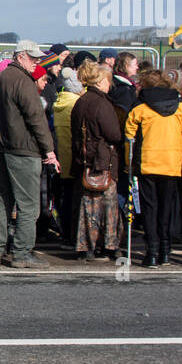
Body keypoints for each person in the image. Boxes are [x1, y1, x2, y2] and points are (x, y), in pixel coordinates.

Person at [0, 39, 59, 268]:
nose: (37, 61)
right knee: (29, 205)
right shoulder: (23, 81)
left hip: (1, 148)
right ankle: (22, 253)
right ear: (21, 57)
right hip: (23, 149)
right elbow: (36, 118)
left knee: (3, 200)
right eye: (33, 57)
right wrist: (49, 150)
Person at [123, 71, 182, 267]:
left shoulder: (140, 109)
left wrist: (129, 165)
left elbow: (129, 138)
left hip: (147, 163)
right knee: (166, 208)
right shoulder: (181, 108)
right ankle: (165, 251)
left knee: (149, 209)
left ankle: (152, 252)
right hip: (171, 164)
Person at [69, 62, 122, 261]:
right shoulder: (101, 103)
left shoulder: (80, 101)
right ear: (99, 82)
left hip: (84, 160)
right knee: (108, 205)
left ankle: (85, 246)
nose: (109, 84)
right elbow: (114, 134)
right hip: (102, 160)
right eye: (107, 81)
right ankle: (108, 245)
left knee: (87, 206)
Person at [52, 70, 84, 244]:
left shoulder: (59, 102)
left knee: (64, 198)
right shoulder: (76, 104)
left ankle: (65, 233)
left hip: (62, 158)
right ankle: (72, 235)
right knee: (74, 200)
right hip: (75, 158)